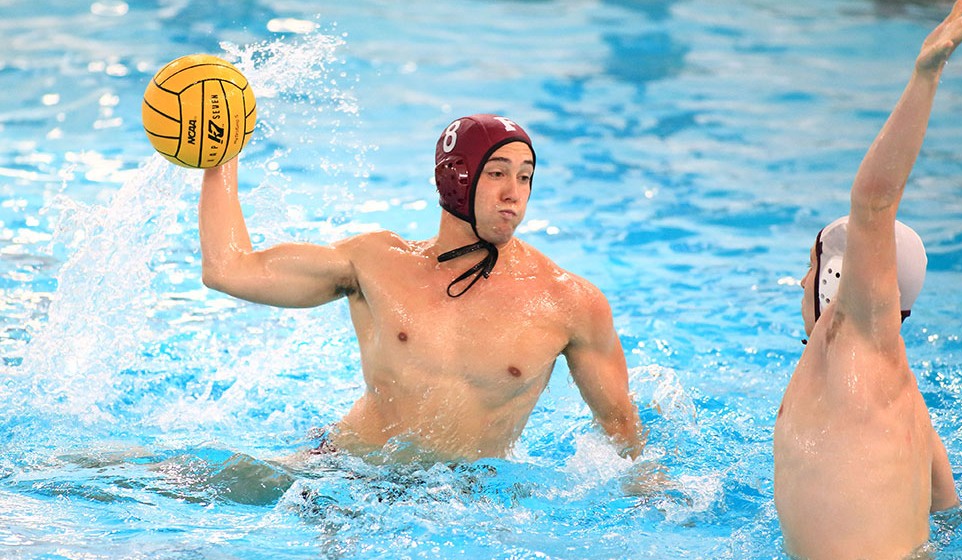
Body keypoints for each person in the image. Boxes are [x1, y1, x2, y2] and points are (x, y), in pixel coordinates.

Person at [199, 113, 644, 463]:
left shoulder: (568, 301)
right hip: (343, 471)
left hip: (464, 501)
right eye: (497, 174)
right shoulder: (375, 264)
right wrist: (221, 158)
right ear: (456, 177)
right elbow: (229, 269)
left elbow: (623, 433)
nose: (514, 193)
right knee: (151, 478)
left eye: (525, 177)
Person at [773, 1, 962, 558]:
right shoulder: (907, 401)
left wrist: (925, 75)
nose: (800, 282)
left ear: (836, 279)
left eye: (810, 267)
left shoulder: (855, 342)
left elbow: (874, 203)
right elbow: (949, 512)